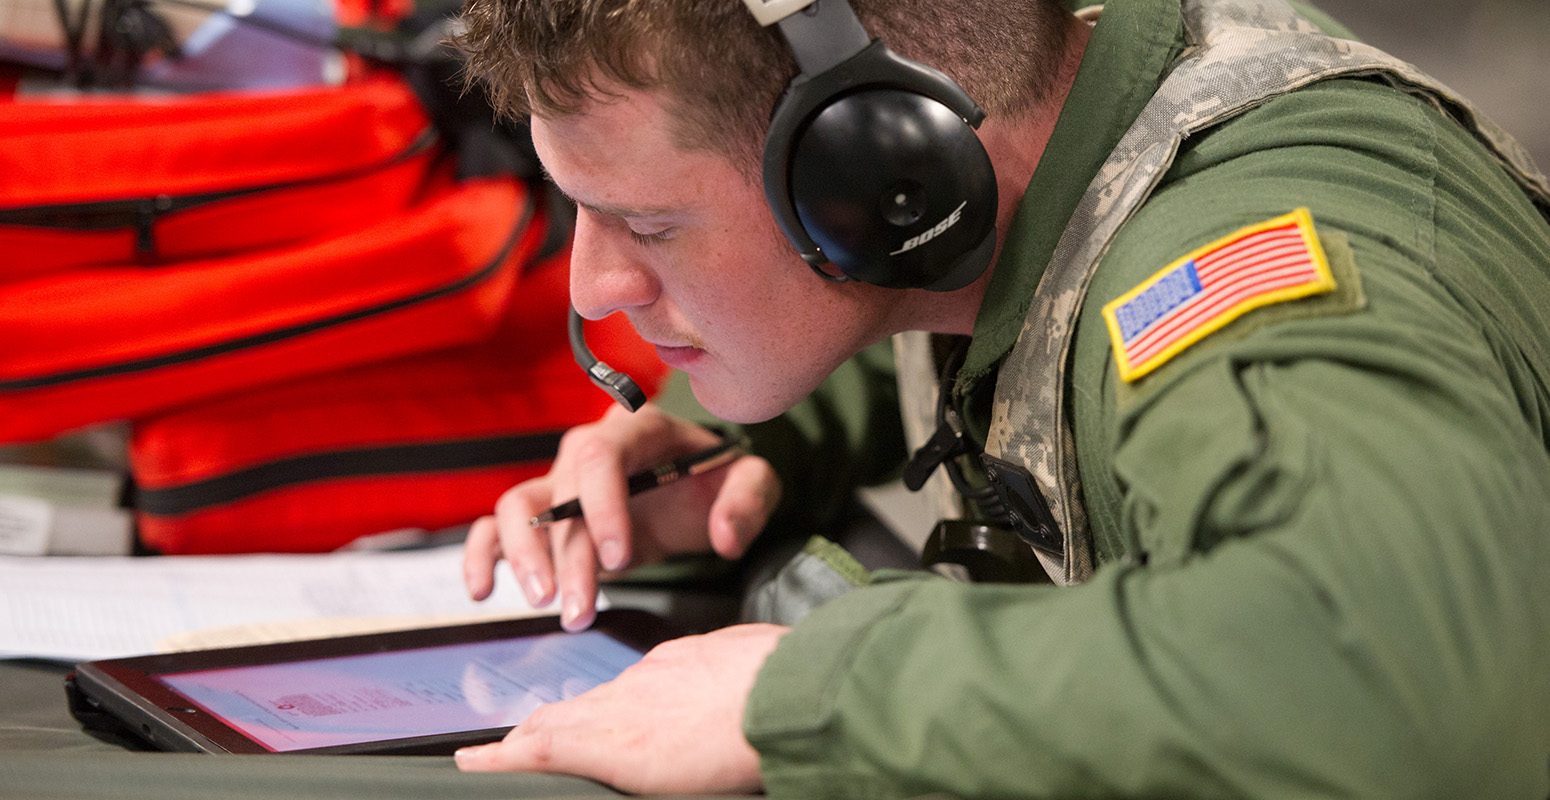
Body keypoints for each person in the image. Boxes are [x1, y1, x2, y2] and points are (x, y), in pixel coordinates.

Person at [449, 0, 1550, 796]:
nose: (592, 284)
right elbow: (1010, 310)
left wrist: (796, 690)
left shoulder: (1240, 287)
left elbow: (1388, 683)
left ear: (880, 172)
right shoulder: (1040, 137)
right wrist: (758, 430)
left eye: (645, 225)